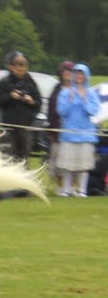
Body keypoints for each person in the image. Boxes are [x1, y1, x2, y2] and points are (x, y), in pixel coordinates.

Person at [56, 63, 100, 197]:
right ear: (73, 76)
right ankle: (66, 190)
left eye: (82, 74)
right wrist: (69, 100)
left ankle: (82, 190)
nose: (79, 76)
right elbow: (61, 111)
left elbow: (93, 111)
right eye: (77, 74)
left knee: (84, 165)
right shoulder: (65, 92)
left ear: (86, 76)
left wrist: (85, 101)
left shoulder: (91, 93)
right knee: (68, 163)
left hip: (86, 134)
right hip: (69, 133)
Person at [0, 51, 42, 165]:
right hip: (8, 129)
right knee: (7, 159)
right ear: (11, 67)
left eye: (23, 66)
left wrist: (31, 101)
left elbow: (38, 103)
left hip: (25, 129)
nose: (20, 69)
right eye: (17, 66)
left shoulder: (31, 83)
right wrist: (10, 96)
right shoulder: (4, 83)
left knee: (23, 160)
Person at [47, 61, 74, 196]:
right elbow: (51, 112)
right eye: (65, 71)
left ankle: (71, 187)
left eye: (69, 71)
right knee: (58, 159)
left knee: (72, 160)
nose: (67, 74)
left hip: (73, 131)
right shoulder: (56, 90)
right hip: (58, 131)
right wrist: (51, 130)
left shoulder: (77, 89)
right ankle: (60, 187)